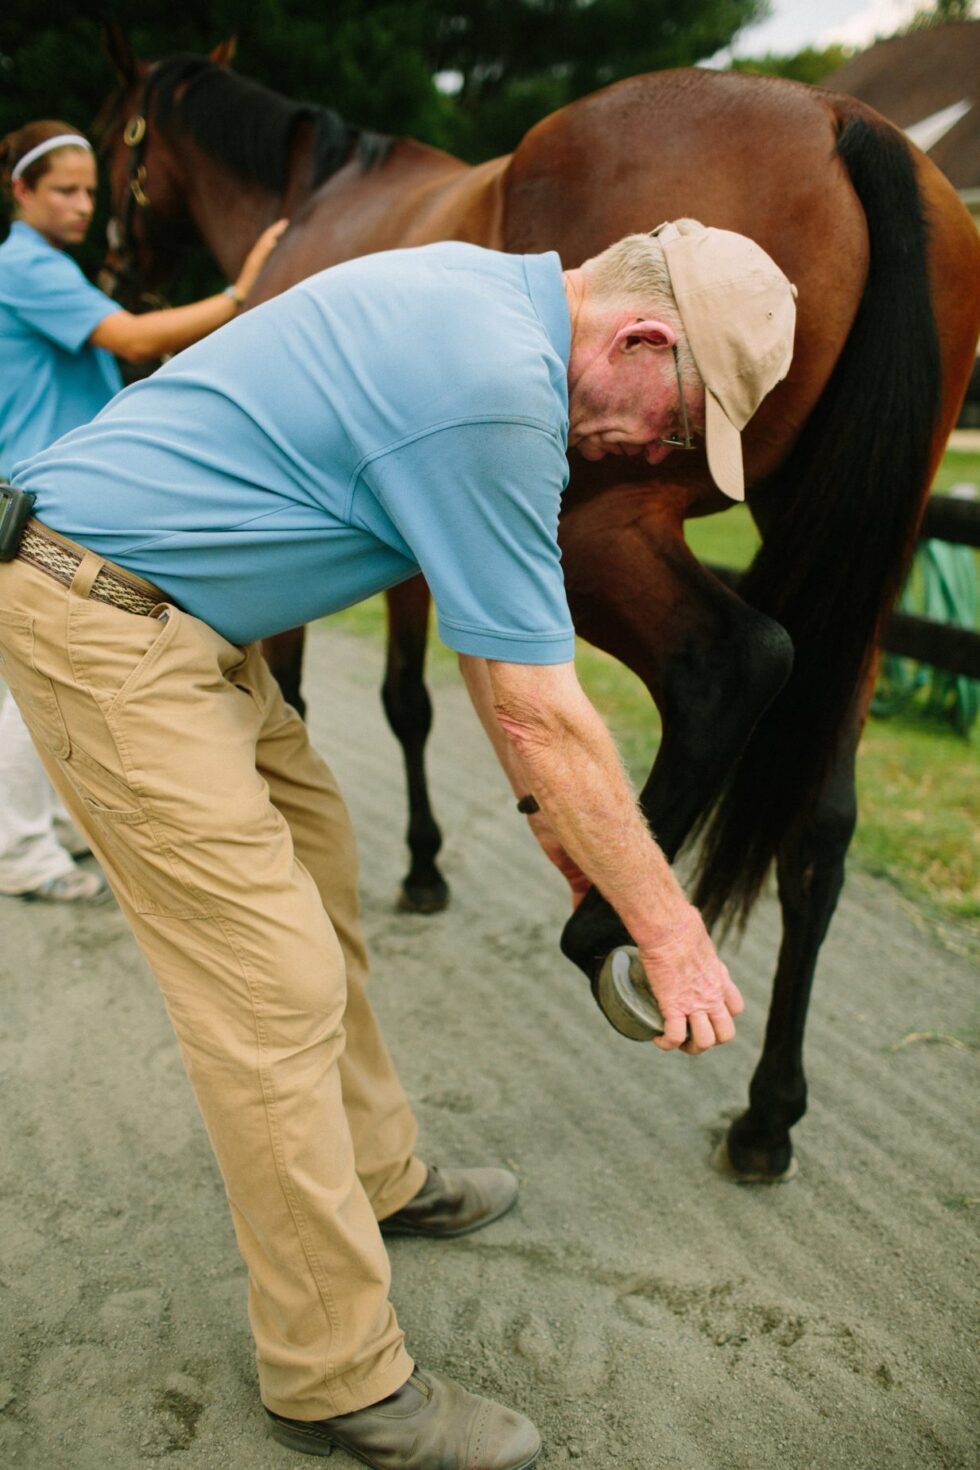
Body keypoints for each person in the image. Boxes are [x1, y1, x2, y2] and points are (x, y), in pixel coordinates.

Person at [0, 219, 796, 1469]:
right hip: (105, 618)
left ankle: (379, 1175)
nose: (661, 452)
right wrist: (672, 930)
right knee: (270, 987)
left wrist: (554, 820)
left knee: (319, 884)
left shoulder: (493, 311)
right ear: (644, 338)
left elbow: (497, 648)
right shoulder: (492, 390)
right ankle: (333, 1378)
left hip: (189, 622)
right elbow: (545, 707)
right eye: (681, 419)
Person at [0, 119, 285, 902]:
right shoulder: (26, 267)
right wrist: (238, 292)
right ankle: (19, 853)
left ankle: (37, 830)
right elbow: (130, 335)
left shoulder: (51, 269)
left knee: (36, 677)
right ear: (20, 192)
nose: (82, 206)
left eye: (91, 190)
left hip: (43, 494)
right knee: (31, 685)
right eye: (63, 190)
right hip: (32, 496)